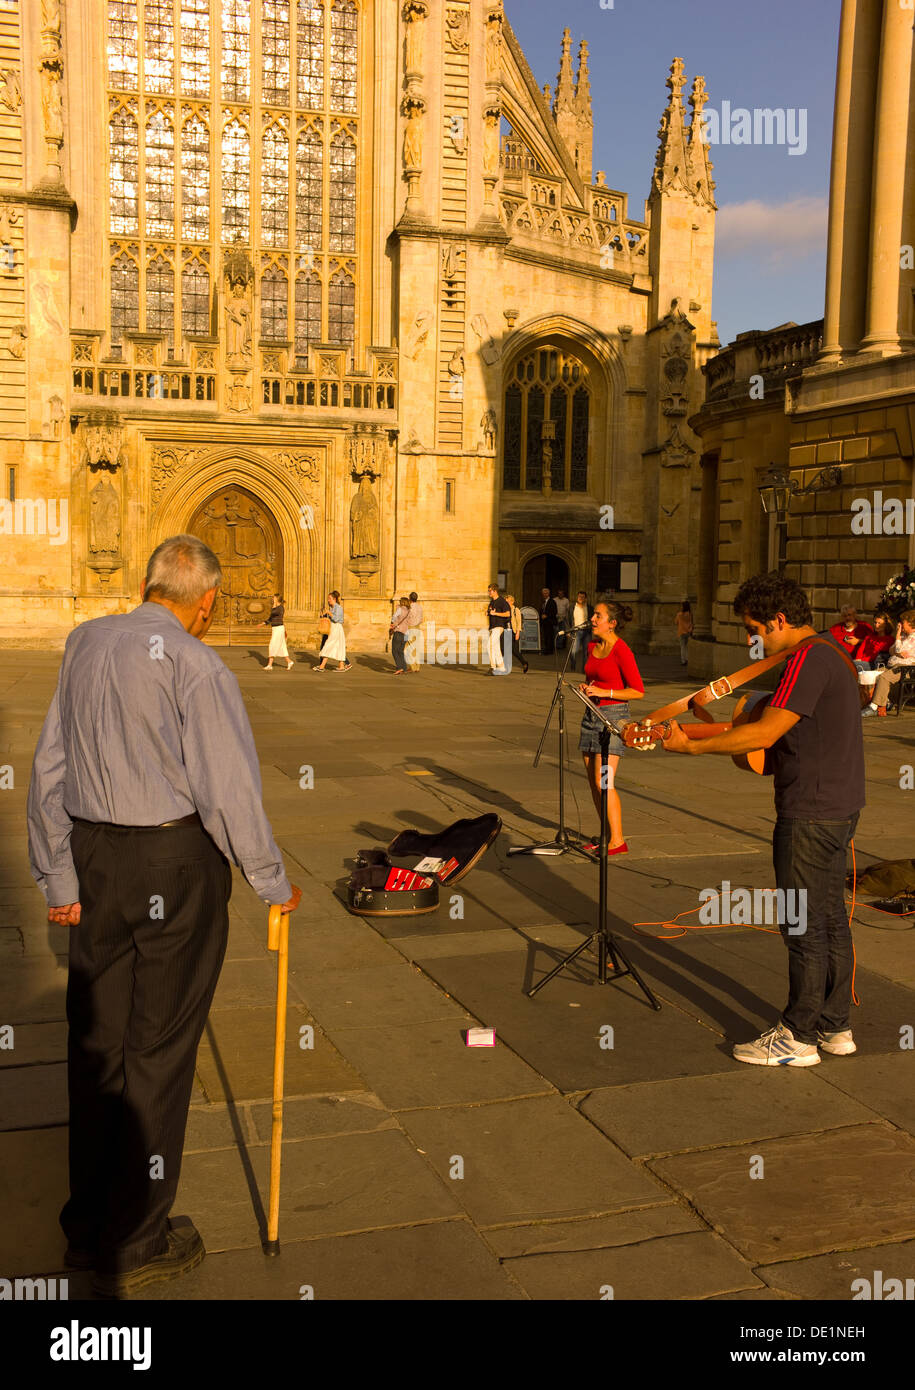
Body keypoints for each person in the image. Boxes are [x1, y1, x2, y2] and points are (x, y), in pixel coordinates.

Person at [26, 535, 302, 1297]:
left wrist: (56, 874)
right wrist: (271, 880)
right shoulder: (196, 663)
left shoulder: (85, 642)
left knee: (98, 1047)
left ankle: (87, 1228)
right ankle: (139, 1237)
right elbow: (225, 790)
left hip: (94, 859)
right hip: (173, 865)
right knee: (157, 1050)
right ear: (204, 602)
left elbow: (50, 762)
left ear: (149, 585)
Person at [662, 572, 864, 1067]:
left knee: (803, 926)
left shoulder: (806, 659)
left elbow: (764, 733)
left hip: (811, 811)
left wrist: (691, 746)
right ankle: (835, 1027)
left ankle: (797, 1037)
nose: (754, 641)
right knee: (830, 918)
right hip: (840, 805)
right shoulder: (832, 650)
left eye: (755, 630)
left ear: (778, 620)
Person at [578, 600, 644, 855]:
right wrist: (587, 688)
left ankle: (618, 840)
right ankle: (605, 834)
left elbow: (637, 691)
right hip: (590, 714)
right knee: (593, 783)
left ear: (612, 623)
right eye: (593, 614)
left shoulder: (622, 650)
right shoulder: (593, 646)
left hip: (613, 718)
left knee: (604, 780)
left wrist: (606, 691)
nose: (593, 619)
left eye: (598, 615)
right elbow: (591, 677)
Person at [863, 609, 915, 716]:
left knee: (884, 678)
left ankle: (873, 707)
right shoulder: (904, 636)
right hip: (893, 666)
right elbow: (892, 650)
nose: (900, 625)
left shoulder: (913, 638)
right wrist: (897, 652)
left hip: (904, 668)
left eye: (903, 623)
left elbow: (898, 649)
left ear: (911, 624)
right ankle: (886, 702)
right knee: (872, 675)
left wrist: (897, 637)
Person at [314, 590, 350, 671]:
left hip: (337, 628)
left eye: (329, 598)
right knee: (338, 646)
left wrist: (329, 613)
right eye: (328, 598)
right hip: (332, 628)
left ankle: (322, 666)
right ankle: (341, 666)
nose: (328, 600)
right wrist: (324, 614)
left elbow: (337, 619)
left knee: (328, 645)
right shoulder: (332, 608)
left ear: (334, 599)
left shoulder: (339, 608)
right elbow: (330, 619)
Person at [263, 592, 293, 671]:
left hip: (279, 628)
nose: (273, 599)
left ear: (277, 598)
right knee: (282, 647)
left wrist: (274, 606)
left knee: (272, 645)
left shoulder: (280, 607)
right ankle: (289, 662)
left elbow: (275, 613)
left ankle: (270, 665)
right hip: (275, 628)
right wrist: (264, 623)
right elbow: (271, 618)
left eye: (274, 598)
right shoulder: (276, 607)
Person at [487, 583, 511, 674]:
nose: (489, 592)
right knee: (496, 647)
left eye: (490, 591)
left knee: (489, 645)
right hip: (492, 627)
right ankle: (501, 667)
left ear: (495, 591)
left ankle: (492, 667)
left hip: (499, 626)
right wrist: (488, 613)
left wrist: (495, 614)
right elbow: (490, 611)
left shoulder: (501, 601)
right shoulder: (492, 601)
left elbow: (508, 613)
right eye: (488, 591)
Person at [569, 590, 591, 672]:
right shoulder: (572, 607)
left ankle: (584, 670)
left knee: (586, 652)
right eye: (579, 597)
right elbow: (567, 619)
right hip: (576, 631)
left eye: (582, 597)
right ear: (577, 597)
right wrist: (568, 631)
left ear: (585, 598)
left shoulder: (589, 608)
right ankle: (573, 665)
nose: (580, 598)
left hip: (587, 632)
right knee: (573, 651)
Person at [506, 593, 529, 674]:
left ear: (512, 602)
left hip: (514, 631)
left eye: (508, 601)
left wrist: (518, 633)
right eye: (506, 601)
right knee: (505, 649)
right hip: (506, 631)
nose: (507, 603)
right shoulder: (505, 610)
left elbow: (519, 622)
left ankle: (524, 662)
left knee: (514, 651)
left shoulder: (516, 610)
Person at [389, 595, 412, 674]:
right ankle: (404, 667)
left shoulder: (400, 609)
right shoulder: (409, 611)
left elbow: (393, 617)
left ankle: (399, 667)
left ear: (402, 602)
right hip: (406, 633)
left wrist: (392, 624)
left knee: (394, 650)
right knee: (401, 651)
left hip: (399, 631)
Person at [406, 590, 424, 672]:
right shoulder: (420, 607)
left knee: (410, 647)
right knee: (416, 647)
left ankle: (412, 666)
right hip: (417, 628)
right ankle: (417, 666)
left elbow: (407, 618)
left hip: (411, 627)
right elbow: (421, 619)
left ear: (410, 598)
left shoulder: (409, 607)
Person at [539, 587, 558, 655]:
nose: (544, 594)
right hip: (544, 622)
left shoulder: (552, 601)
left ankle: (549, 650)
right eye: (543, 593)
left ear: (548, 594)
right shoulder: (543, 601)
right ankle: (546, 649)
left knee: (550, 636)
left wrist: (547, 615)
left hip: (550, 622)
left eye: (545, 593)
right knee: (545, 636)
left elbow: (554, 611)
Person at [675, 600, 693, 666]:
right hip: (688, 631)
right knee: (687, 647)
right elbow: (691, 622)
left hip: (681, 632)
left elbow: (676, 622)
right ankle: (688, 659)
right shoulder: (690, 614)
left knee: (682, 647)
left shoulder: (679, 614)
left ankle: (683, 660)